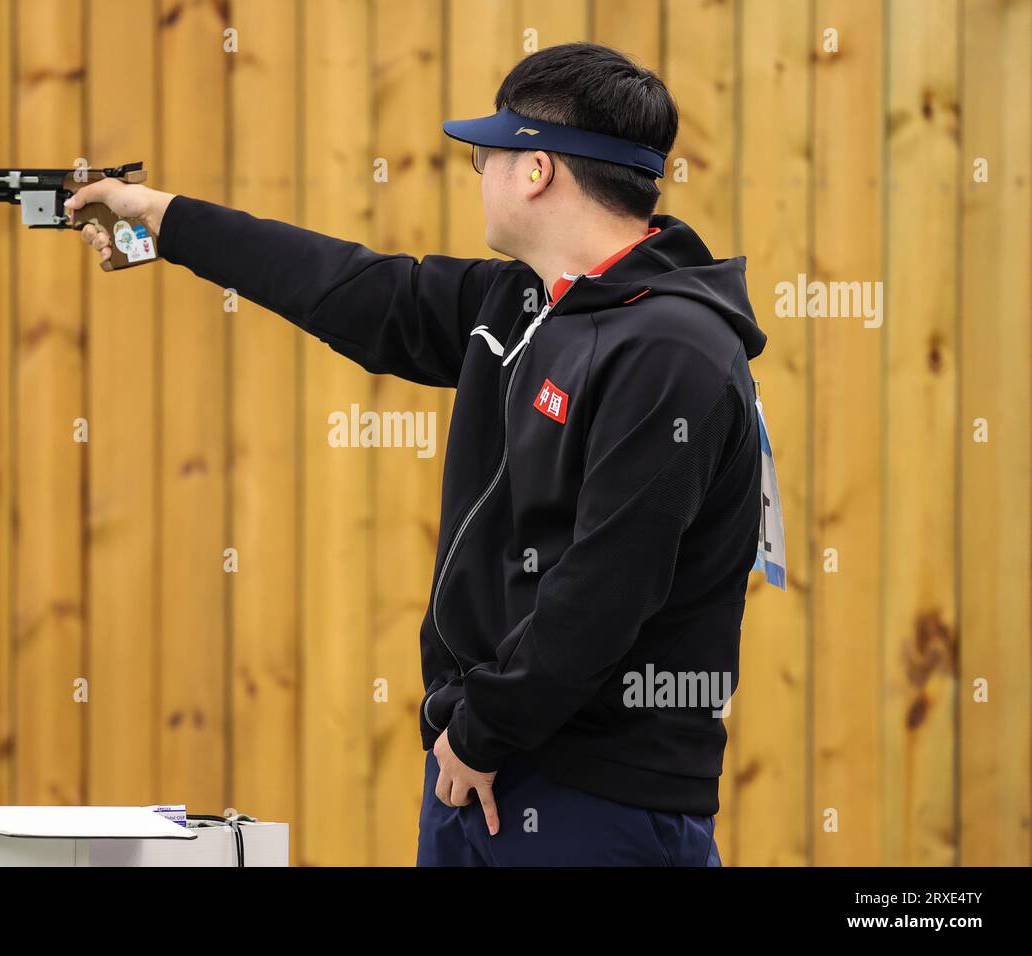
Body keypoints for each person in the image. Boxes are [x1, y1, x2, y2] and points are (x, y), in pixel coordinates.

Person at [66, 42, 768, 866]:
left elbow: (604, 591)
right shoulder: (527, 300)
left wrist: (479, 732)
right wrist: (164, 216)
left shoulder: (670, 351)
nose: (478, 174)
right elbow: (352, 287)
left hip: (594, 795)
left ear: (536, 171)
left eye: (485, 156)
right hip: (486, 772)